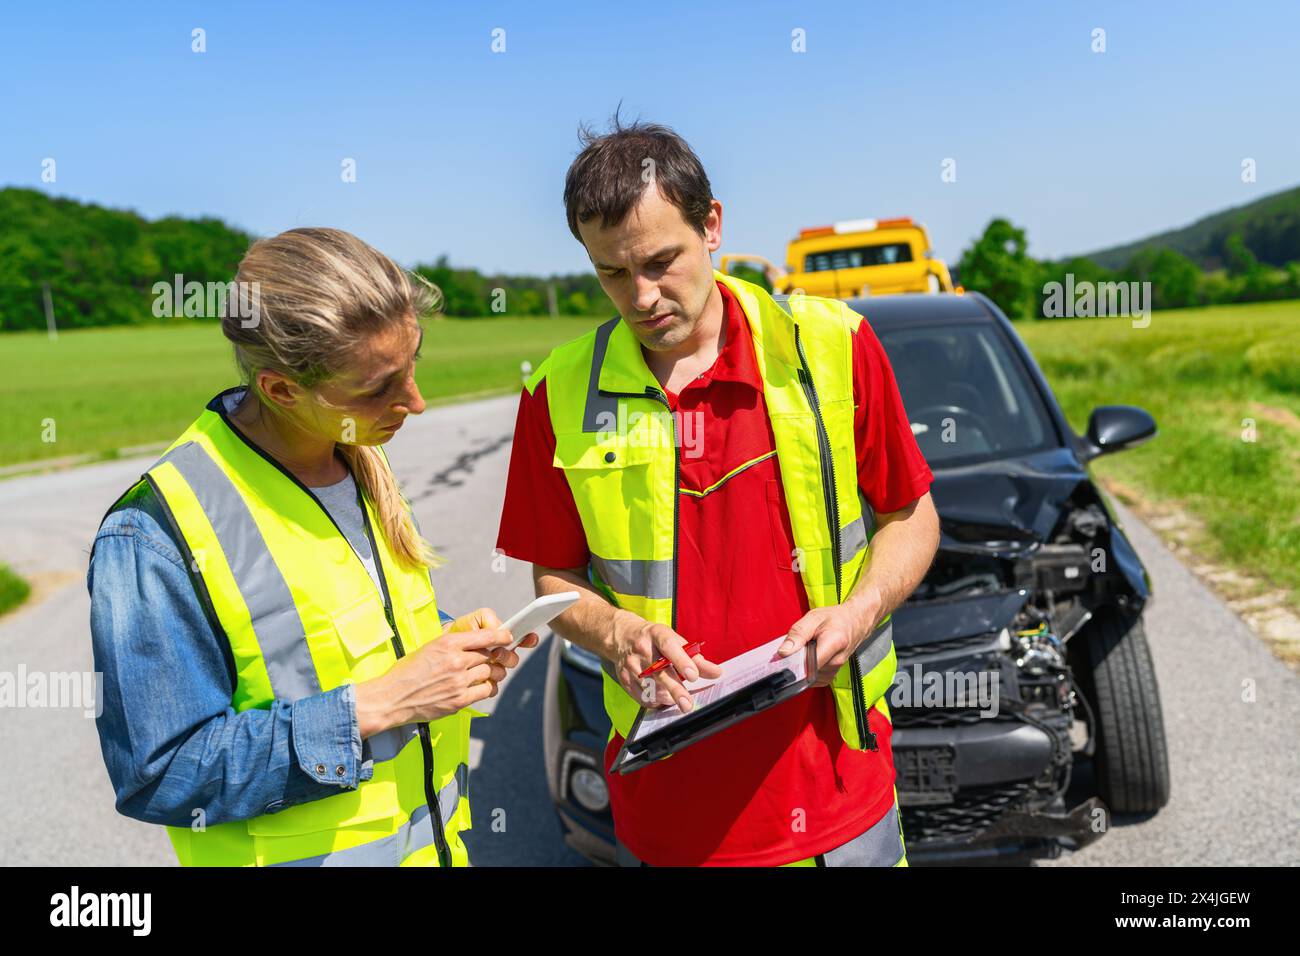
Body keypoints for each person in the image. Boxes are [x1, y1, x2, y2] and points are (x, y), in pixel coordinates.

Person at [496, 120, 940, 866]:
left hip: (837, 784)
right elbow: (553, 580)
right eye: (611, 273)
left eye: (660, 261)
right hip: (671, 806)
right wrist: (619, 636)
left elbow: (912, 516)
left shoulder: (832, 345)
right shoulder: (555, 394)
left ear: (712, 226)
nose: (641, 297)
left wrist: (861, 612)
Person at [89, 227, 537, 867]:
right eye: (379, 386)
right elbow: (160, 773)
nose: (415, 400)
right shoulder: (154, 533)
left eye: (413, 364)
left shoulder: (357, 460)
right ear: (279, 390)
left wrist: (446, 645)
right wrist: (379, 705)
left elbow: (318, 648)